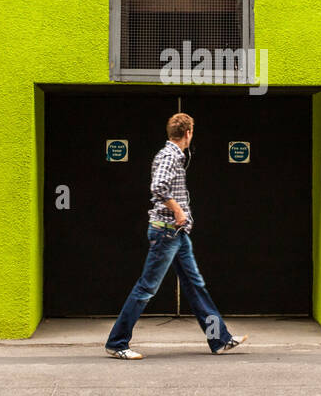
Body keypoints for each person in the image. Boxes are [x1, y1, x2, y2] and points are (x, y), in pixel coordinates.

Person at [105, 112, 246, 359]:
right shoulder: (170, 156)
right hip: (166, 231)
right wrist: (179, 210)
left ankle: (219, 339)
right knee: (147, 287)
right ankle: (117, 342)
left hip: (177, 233)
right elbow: (158, 187)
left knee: (195, 285)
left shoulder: (172, 155)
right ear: (188, 133)